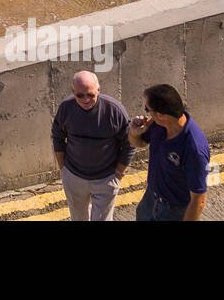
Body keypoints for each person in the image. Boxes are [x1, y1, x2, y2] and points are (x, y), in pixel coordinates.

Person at [52, 71, 135, 221]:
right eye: (80, 95)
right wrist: (63, 170)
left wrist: (118, 174)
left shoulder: (114, 111)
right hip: (74, 176)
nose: (85, 99)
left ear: (98, 90)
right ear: (73, 92)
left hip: (106, 178)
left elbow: (130, 143)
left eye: (90, 94)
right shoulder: (66, 108)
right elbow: (57, 138)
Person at [128, 84, 211, 221]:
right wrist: (134, 132)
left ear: (160, 115)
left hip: (174, 212)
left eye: (147, 110)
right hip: (150, 200)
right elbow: (138, 143)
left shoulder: (194, 148)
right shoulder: (158, 125)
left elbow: (198, 200)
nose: (147, 114)